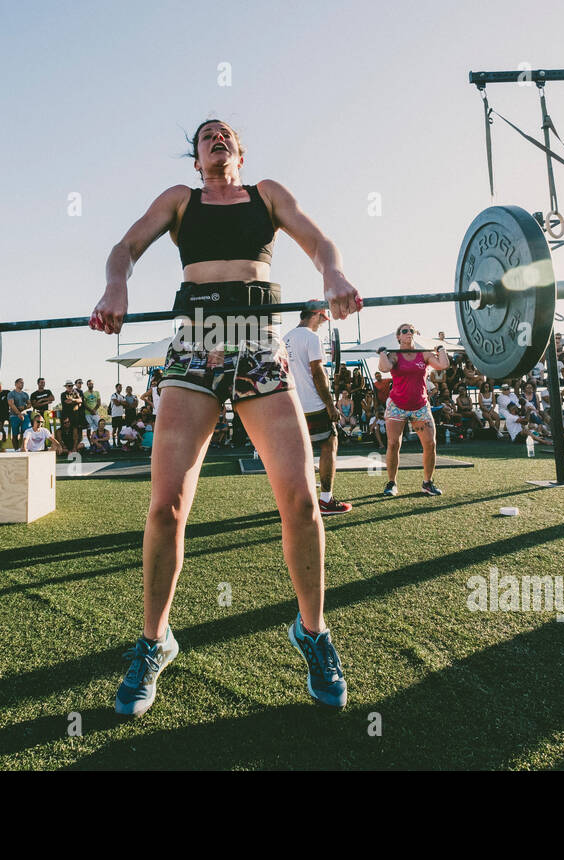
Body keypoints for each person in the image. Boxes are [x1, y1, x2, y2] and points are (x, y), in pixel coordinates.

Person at [89, 118, 354, 716]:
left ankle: (313, 633)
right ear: (196, 158)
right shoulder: (179, 201)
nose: (216, 139)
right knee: (166, 505)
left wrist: (332, 274)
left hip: (260, 342)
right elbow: (124, 248)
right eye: (206, 136)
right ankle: (154, 642)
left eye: (225, 134)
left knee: (302, 498)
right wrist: (116, 289)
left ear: (239, 150)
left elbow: (320, 243)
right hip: (196, 343)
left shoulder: (267, 195)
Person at [283, 305, 351, 515]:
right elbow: (317, 372)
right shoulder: (311, 337)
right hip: (313, 403)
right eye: (322, 318)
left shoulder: (285, 338)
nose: (322, 323)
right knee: (329, 444)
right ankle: (326, 500)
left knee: (300, 451)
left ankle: (299, 500)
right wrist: (331, 405)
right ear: (315, 315)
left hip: (293, 403)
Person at [377, 324, 447, 496]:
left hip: (420, 406)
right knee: (393, 444)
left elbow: (443, 364)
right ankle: (392, 483)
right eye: (405, 331)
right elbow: (384, 368)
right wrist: (381, 353)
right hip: (397, 405)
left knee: (430, 444)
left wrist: (441, 348)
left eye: (411, 331)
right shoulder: (393, 355)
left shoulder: (424, 354)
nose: (409, 333)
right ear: (398, 337)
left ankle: (427, 483)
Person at [6, 379, 31, 450]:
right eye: (20, 383)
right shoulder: (11, 394)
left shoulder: (25, 394)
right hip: (14, 416)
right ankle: (16, 449)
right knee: (15, 434)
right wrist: (19, 413)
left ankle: (24, 448)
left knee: (26, 432)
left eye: (23, 383)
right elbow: (11, 404)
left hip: (24, 415)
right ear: (16, 384)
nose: (22, 384)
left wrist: (24, 407)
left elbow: (29, 404)